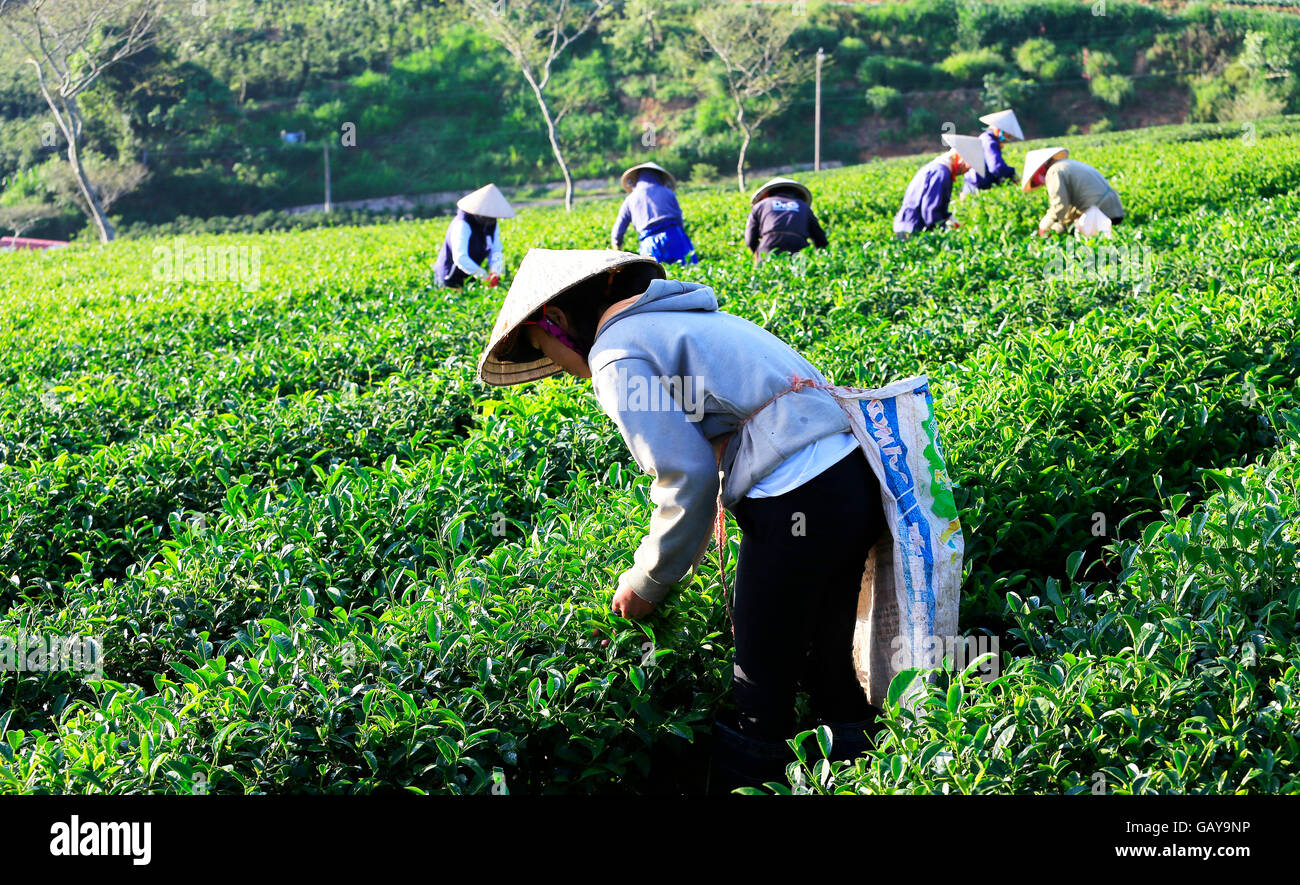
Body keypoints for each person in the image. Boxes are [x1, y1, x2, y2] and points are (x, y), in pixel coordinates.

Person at [478, 249, 886, 792]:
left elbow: (685, 476)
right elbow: (712, 450)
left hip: (796, 496)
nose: (555, 362)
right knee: (822, 653)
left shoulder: (616, 354)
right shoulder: (685, 320)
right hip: (850, 479)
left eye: (541, 346)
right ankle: (874, 773)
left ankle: (758, 784)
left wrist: (648, 581)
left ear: (553, 322)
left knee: (760, 680)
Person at [892, 134, 985, 239]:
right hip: (913, 228)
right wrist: (946, 231)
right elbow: (931, 212)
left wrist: (950, 219)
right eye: (967, 167)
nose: (965, 171)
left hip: (908, 224)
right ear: (958, 158)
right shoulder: (941, 173)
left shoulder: (937, 169)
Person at [1021, 147, 1125, 236]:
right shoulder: (1066, 164)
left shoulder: (1053, 171)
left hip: (1098, 214)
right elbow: (1070, 209)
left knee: (1088, 249)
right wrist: (1059, 226)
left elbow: (1060, 206)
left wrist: (1044, 226)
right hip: (1113, 209)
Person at [611, 162, 698, 265]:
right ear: (659, 177)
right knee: (685, 270)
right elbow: (679, 218)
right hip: (674, 236)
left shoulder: (630, 199)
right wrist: (681, 236)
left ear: (638, 179)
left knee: (654, 277)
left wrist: (617, 247)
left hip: (649, 243)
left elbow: (618, 229)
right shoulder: (668, 192)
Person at [434, 183, 514, 288]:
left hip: (470, 276)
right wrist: (483, 275)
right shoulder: (462, 224)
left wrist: (495, 272)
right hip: (450, 276)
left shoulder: (491, 223)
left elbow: (496, 249)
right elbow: (460, 258)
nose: (491, 220)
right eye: (487, 216)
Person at [744, 177, 827, 259]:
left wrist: (758, 253)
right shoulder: (803, 206)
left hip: (769, 244)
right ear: (795, 193)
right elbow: (820, 237)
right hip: (798, 245)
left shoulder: (760, 205)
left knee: (767, 271)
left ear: (768, 194)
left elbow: (750, 239)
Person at [961, 108, 1023, 196]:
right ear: (999, 129)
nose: (1007, 138)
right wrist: (1012, 175)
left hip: (977, 184)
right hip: (976, 186)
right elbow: (996, 167)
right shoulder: (989, 141)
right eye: (1007, 134)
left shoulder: (988, 139)